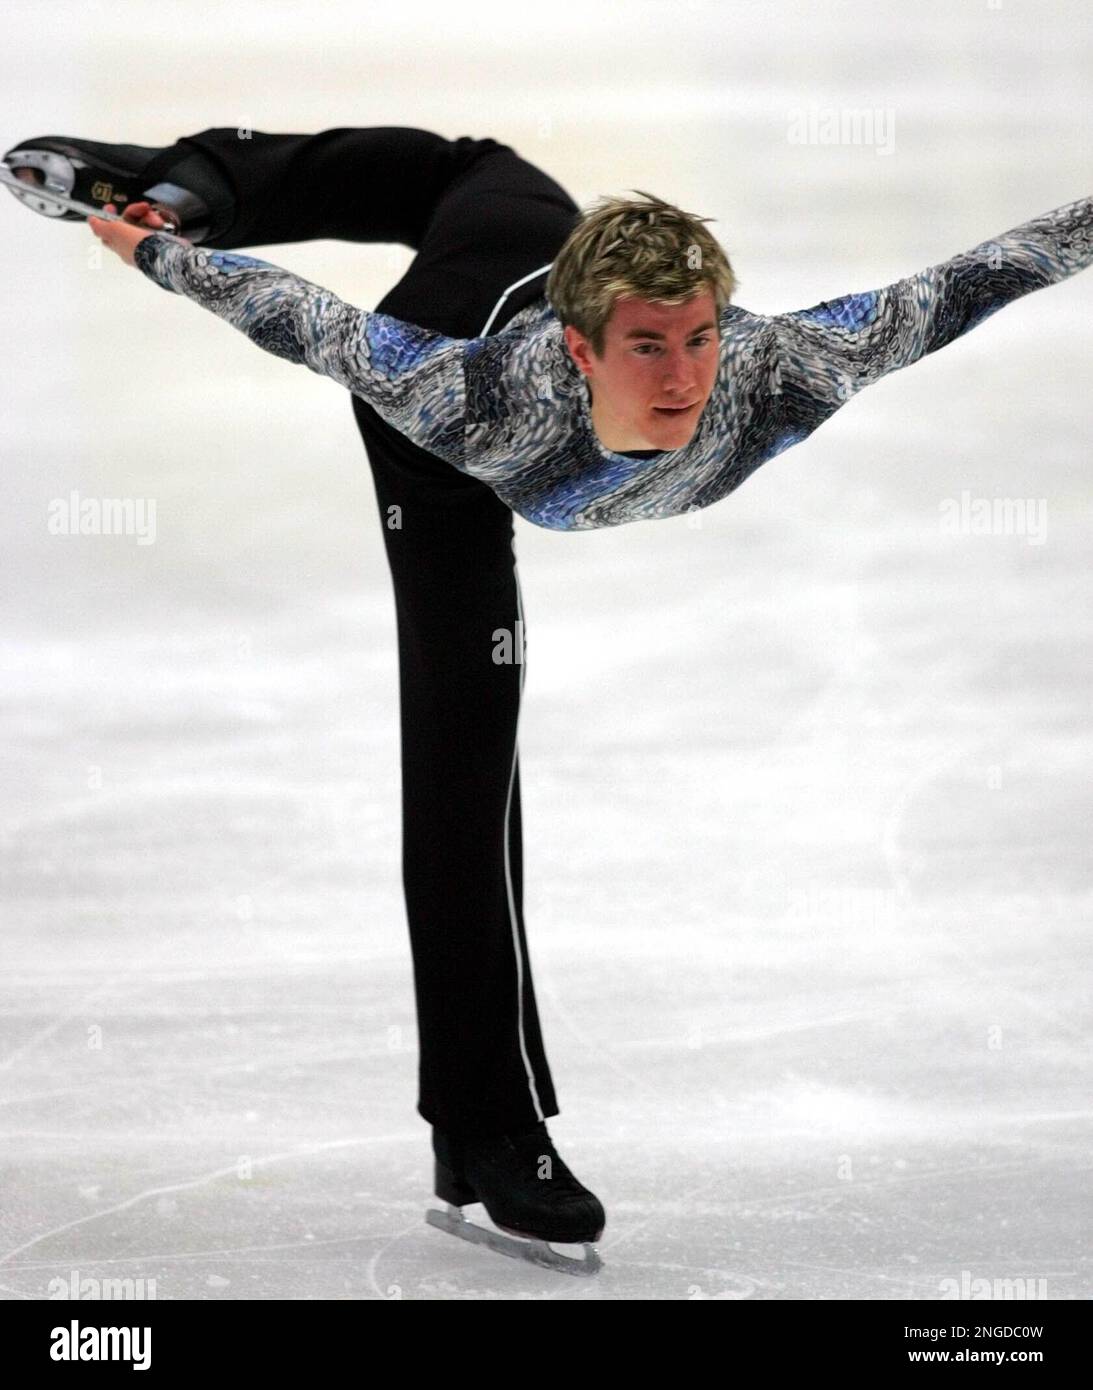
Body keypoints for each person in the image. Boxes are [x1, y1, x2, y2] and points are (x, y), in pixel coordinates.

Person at [5, 128, 1091, 1275]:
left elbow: (972, 279)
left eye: (698, 338)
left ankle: (193, 188)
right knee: (464, 760)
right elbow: (308, 323)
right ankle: (486, 1129)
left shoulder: (778, 369)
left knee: (465, 169)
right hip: (441, 455)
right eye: (646, 347)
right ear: (581, 349)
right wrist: (156, 255)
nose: (682, 377)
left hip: (511, 210)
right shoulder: (467, 400)